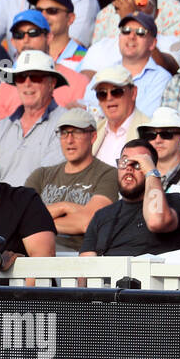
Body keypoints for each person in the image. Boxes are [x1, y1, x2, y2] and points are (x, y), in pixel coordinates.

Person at [25, 107, 120, 252]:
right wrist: (65, 207)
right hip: (37, 253)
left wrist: (38, 223)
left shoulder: (108, 174)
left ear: (93, 136)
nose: (69, 140)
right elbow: (23, 218)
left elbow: (88, 222)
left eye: (76, 132)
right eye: (64, 133)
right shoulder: (41, 175)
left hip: (77, 258)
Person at [79, 138, 180, 256]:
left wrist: (151, 173)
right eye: (124, 162)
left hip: (153, 274)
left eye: (138, 164)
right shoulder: (102, 215)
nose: (128, 168)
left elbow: (156, 221)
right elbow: (85, 264)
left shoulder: (174, 201)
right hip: (108, 273)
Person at [0, 49, 68, 186]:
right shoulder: (1, 126)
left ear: (52, 83)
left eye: (35, 77)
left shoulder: (66, 123)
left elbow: (47, 179)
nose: (27, 83)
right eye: (21, 77)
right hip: (0, 203)